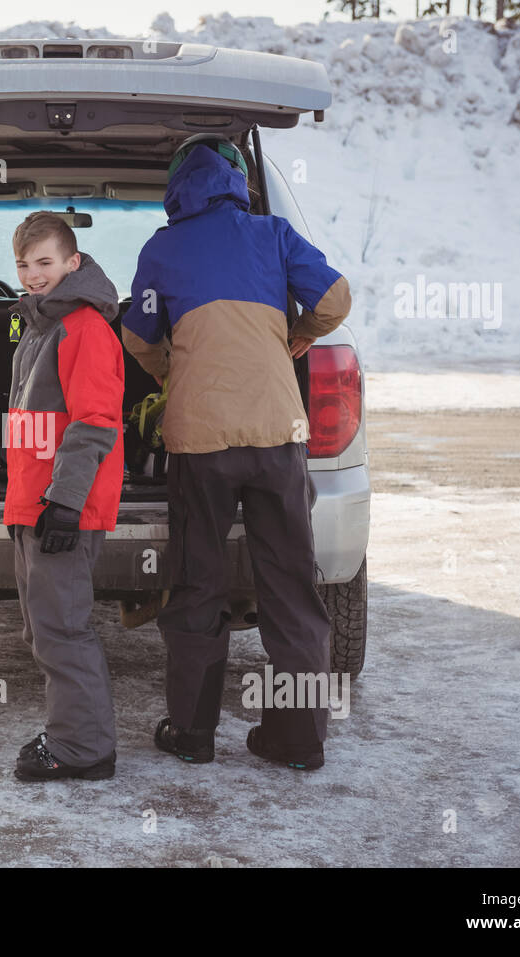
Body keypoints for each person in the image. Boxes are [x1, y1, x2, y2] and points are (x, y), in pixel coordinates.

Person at [121, 135, 352, 771]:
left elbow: (137, 332)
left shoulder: (162, 248)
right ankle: (299, 741)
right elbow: (334, 299)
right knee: (291, 589)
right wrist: (296, 336)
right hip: (278, 435)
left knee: (199, 585)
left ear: (175, 188)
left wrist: (172, 367)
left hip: (200, 441)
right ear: (237, 181)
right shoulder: (273, 234)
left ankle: (192, 735)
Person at [4, 211, 125, 782]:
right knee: (43, 627)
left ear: (73, 262)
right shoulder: (41, 327)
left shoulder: (85, 329)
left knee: (63, 628)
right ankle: (72, 732)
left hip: (63, 507)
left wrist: (67, 501)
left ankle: (83, 749)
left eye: (45, 263)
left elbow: (96, 420)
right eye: (24, 265)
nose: (32, 274)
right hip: (33, 502)